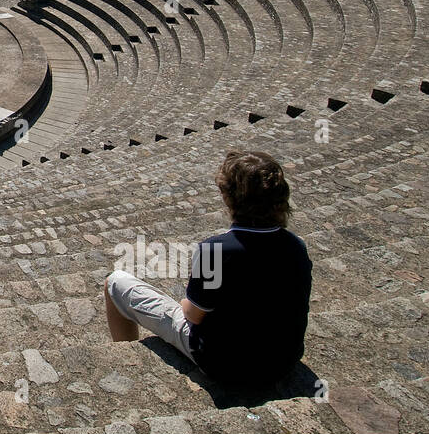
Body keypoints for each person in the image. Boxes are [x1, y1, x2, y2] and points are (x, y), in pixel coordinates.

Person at [104, 150, 312, 387]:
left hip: (224, 365)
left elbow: (193, 314)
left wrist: (184, 301)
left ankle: (123, 359)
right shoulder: (296, 247)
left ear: (227, 197)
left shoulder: (215, 251)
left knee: (115, 282)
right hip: (282, 363)